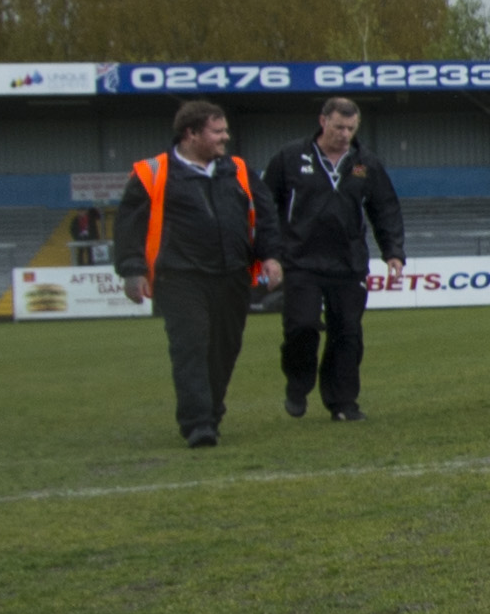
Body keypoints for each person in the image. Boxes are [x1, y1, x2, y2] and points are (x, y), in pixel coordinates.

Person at [112, 101, 273, 448]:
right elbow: (128, 227)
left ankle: (211, 411)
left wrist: (271, 255)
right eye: (218, 131)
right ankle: (198, 422)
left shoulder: (240, 169)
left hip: (232, 275)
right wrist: (132, 270)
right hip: (179, 277)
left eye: (225, 130)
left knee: (224, 349)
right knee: (191, 346)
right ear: (191, 133)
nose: (225, 138)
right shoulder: (151, 173)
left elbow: (265, 215)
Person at [263, 94, 407, 421]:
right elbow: (264, 205)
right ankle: (298, 383)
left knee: (348, 334)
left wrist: (393, 251)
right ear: (323, 121)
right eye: (339, 127)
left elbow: (385, 208)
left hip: (348, 263)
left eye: (351, 128)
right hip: (300, 261)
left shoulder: (365, 163)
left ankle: (342, 403)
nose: (344, 134)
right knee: (301, 327)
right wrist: (270, 251)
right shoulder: (289, 157)